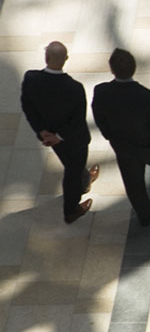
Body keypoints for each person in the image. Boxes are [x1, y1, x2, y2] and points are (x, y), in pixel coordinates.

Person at [91, 49, 150, 227]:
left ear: (112, 70)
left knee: (133, 182)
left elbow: (100, 119)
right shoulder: (145, 96)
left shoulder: (101, 92)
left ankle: (144, 214)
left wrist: (111, 138)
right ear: (134, 68)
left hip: (124, 148)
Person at [20, 41, 99, 223]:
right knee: (72, 171)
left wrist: (42, 131)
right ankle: (71, 209)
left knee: (71, 162)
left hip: (49, 136)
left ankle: (85, 179)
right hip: (72, 138)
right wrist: (58, 136)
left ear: (46, 57)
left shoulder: (31, 78)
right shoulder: (74, 88)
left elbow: (28, 106)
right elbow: (77, 120)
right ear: (66, 59)